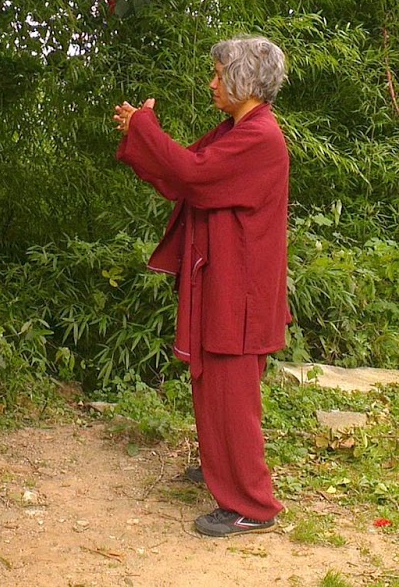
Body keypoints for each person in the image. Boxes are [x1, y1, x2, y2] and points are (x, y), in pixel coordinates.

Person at [113, 35, 291, 538]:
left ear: (242, 79)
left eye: (218, 74)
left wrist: (146, 126)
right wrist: (140, 132)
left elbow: (192, 174)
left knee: (231, 393)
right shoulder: (235, 129)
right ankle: (224, 473)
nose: (212, 83)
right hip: (227, 281)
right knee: (215, 386)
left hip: (243, 290)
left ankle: (253, 505)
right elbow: (181, 173)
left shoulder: (260, 137)